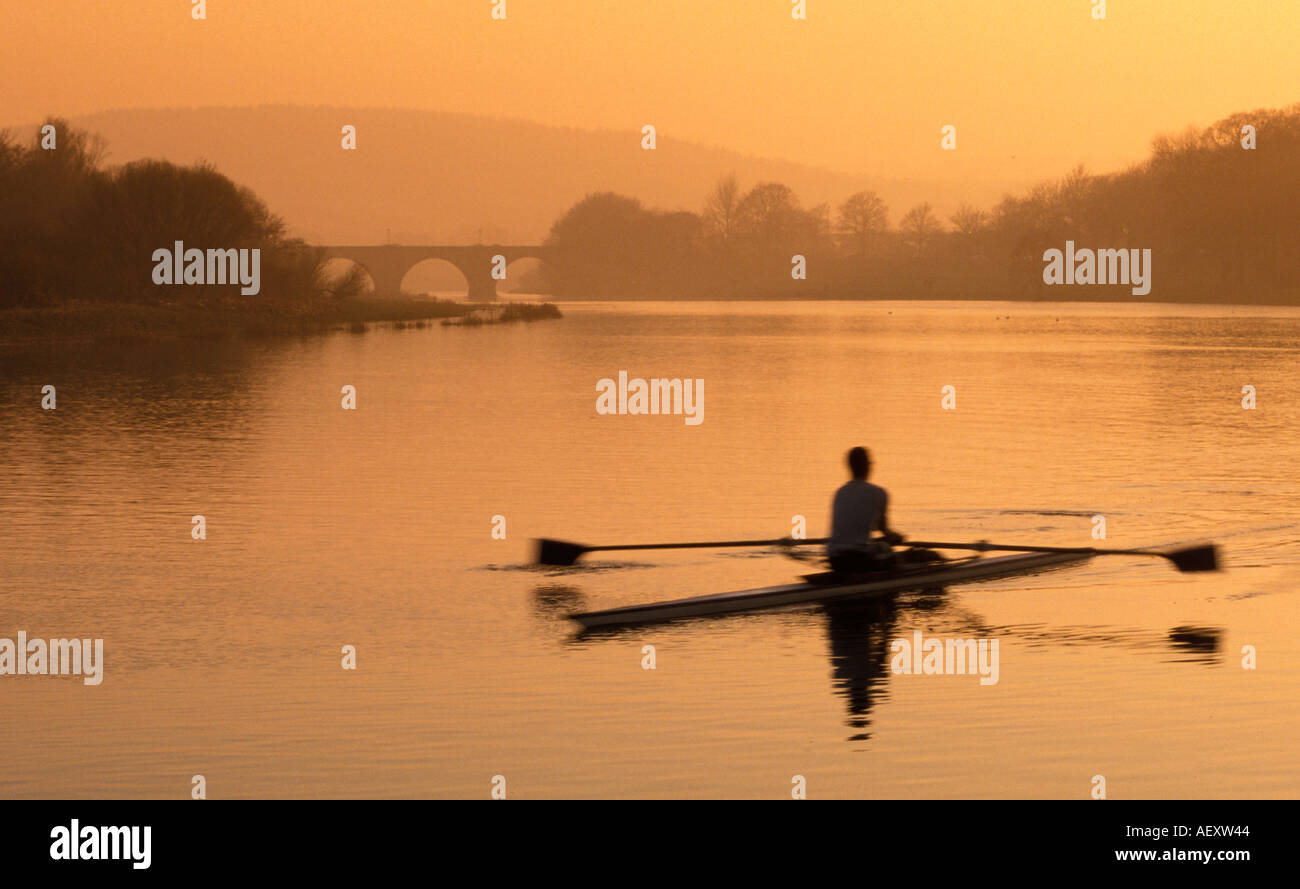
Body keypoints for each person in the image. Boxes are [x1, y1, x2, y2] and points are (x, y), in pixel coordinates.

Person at [827, 446, 905, 573]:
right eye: (870, 462)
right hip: (859, 560)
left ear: (849, 467)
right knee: (891, 555)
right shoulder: (878, 493)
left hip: (835, 560)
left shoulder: (839, 493)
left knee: (877, 547)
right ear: (867, 466)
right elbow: (884, 530)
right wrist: (898, 538)